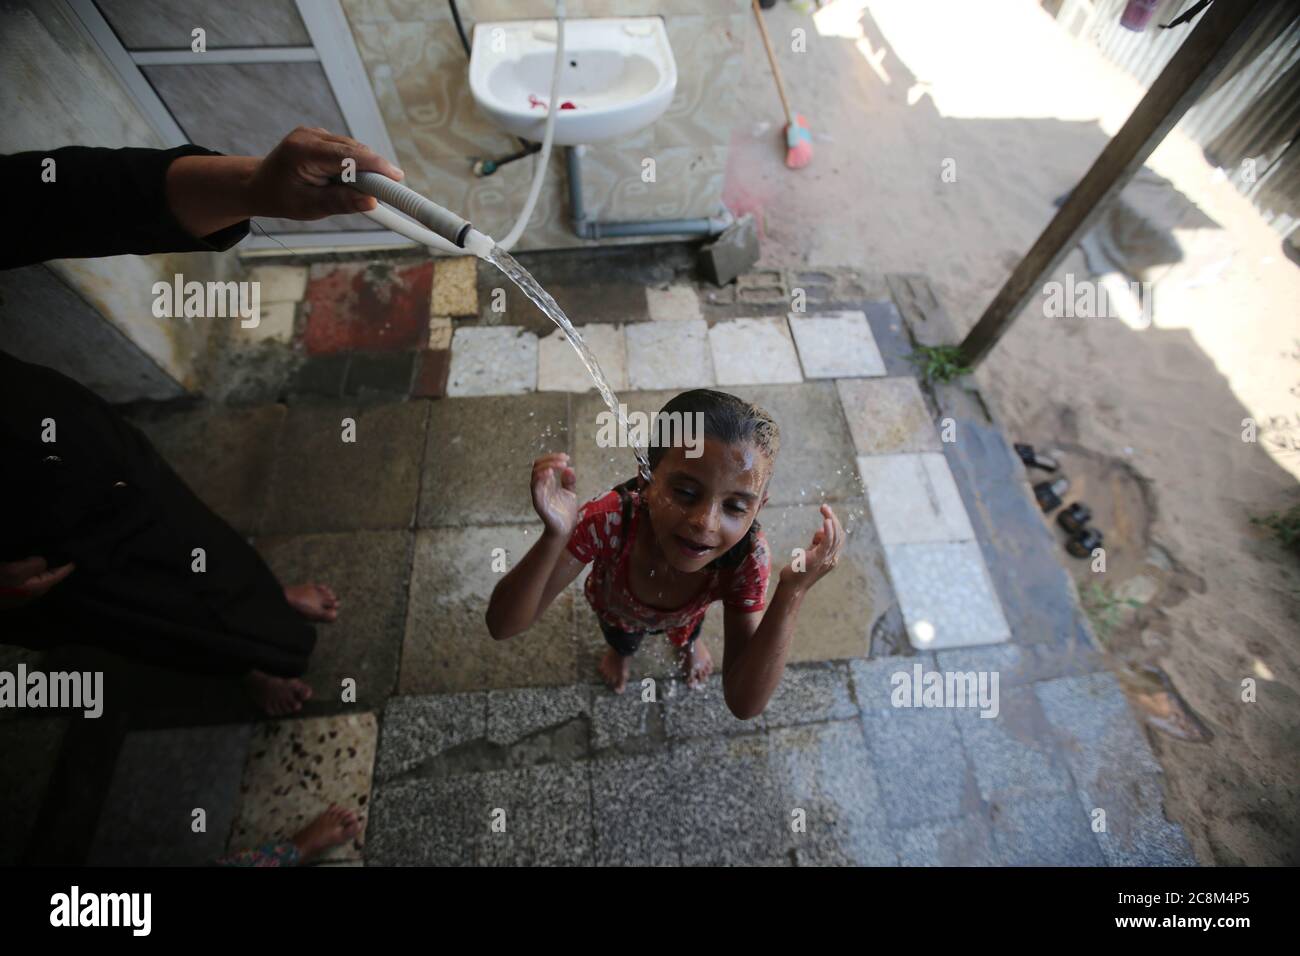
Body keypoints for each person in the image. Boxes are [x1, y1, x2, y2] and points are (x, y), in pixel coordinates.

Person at [0, 127, 403, 715]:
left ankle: (262, 599)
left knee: (187, 531)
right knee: (135, 619)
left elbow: (45, 196)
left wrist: (250, 184)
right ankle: (246, 664)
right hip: (18, 553)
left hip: (48, 437)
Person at [485, 389, 844, 718]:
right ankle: (622, 654)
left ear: (758, 508)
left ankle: (688, 645)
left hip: (686, 616)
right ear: (645, 479)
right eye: (686, 492)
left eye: (736, 506)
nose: (705, 523)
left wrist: (792, 592)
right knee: (620, 638)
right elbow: (502, 626)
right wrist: (555, 536)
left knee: (688, 629)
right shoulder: (608, 520)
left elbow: (744, 703)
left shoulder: (747, 558)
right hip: (616, 611)